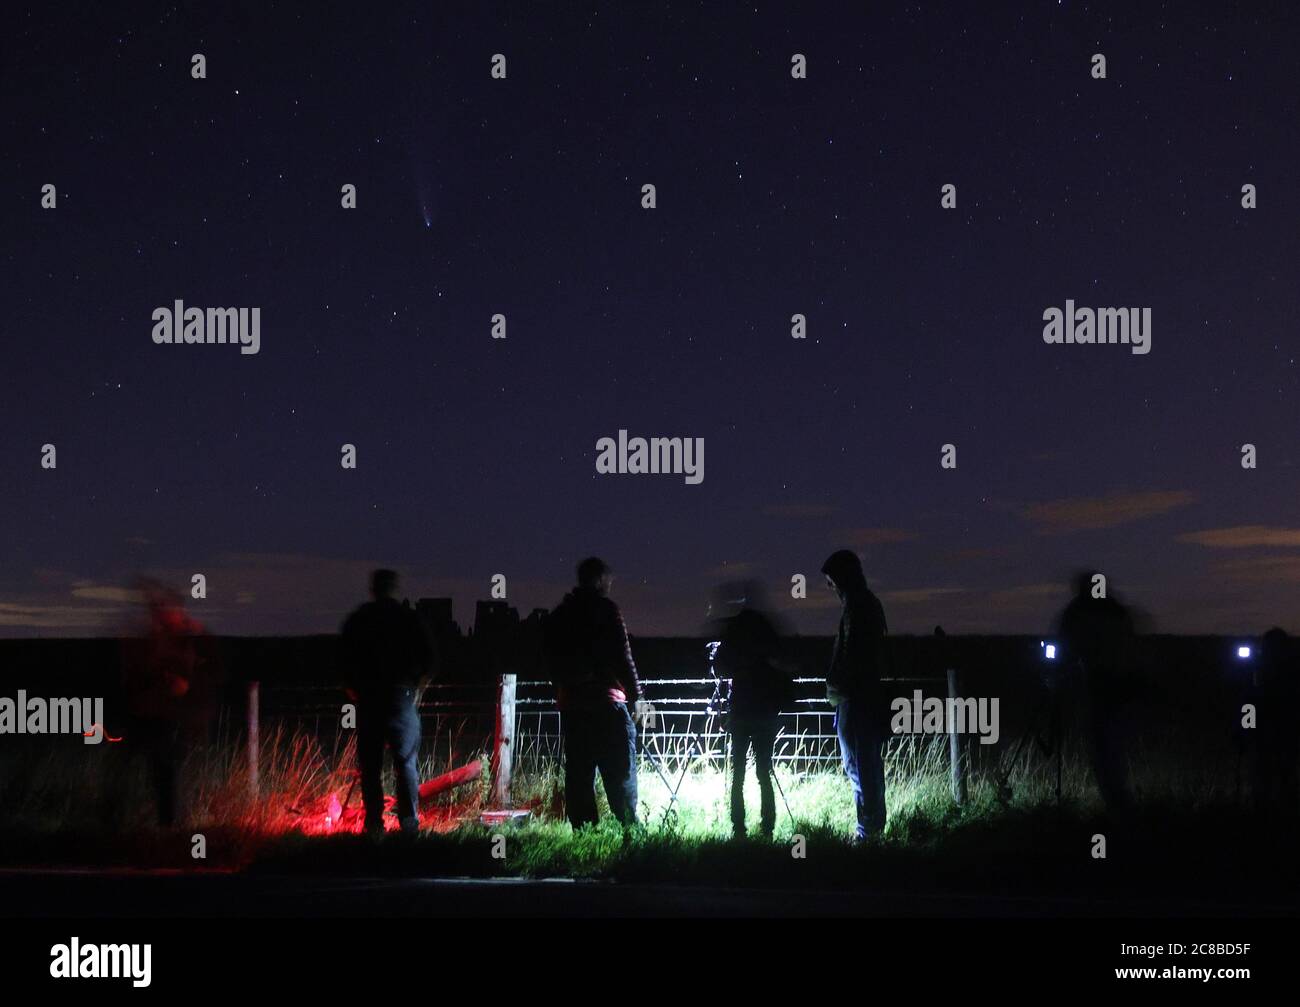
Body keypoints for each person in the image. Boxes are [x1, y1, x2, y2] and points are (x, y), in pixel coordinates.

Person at [544, 557, 642, 828]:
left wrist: (561, 689)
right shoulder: (607, 610)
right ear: (599, 580)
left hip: (574, 707)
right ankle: (630, 835)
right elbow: (623, 656)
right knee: (620, 772)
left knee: (579, 776)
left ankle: (585, 838)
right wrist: (638, 695)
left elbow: (550, 658)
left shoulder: (561, 615)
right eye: (608, 580)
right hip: (607, 703)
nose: (611, 585)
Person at [118, 579, 222, 828]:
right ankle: (143, 823)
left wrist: (186, 686)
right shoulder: (154, 638)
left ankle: (171, 826)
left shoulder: (188, 637)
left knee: (170, 773)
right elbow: (137, 673)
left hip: (175, 718)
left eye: (166, 608)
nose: (163, 613)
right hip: (153, 715)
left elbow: (211, 670)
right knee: (150, 771)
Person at [340, 569, 436, 836]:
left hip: (371, 698)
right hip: (401, 696)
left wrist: (354, 689)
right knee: (405, 763)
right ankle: (408, 824)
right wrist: (417, 690)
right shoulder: (408, 618)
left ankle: (374, 826)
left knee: (371, 765)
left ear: (373, 589)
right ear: (395, 588)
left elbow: (343, 658)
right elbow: (430, 659)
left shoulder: (360, 619)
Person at [708, 580, 792, 839]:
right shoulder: (768, 627)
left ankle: (739, 829)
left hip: (741, 708)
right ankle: (768, 828)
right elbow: (784, 661)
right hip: (765, 709)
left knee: (738, 773)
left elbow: (720, 668)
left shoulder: (733, 629)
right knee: (764, 771)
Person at [821, 549, 889, 841]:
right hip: (863, 698)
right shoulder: (866, 604)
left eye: (831, 579)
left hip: (856, 700)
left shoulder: (856, 607)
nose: (829, 586)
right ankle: (872, 828)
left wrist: (835, 687)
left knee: (860, 766)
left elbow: (852, 656)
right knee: (867, 766)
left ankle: (868, 832)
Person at [1054, 571, 1134, 814]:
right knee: (1112, 751)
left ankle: (1117, 805)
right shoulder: (1115, 611)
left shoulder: (1080, 613)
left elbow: (1068, 646)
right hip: (1116, 689)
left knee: (1103, 751)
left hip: (1101, 689)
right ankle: (1120, 806)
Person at [1251, 627, 1299, 820]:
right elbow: (1249, 704)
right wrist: (1247, 729)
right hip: (1274, 733)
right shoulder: (1261, 671)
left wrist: (1247, 730)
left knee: (1275, 775)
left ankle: (1274, 814)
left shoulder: (1282, 671)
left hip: (1279, 732)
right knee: (1275, 775)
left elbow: (1249, 704)